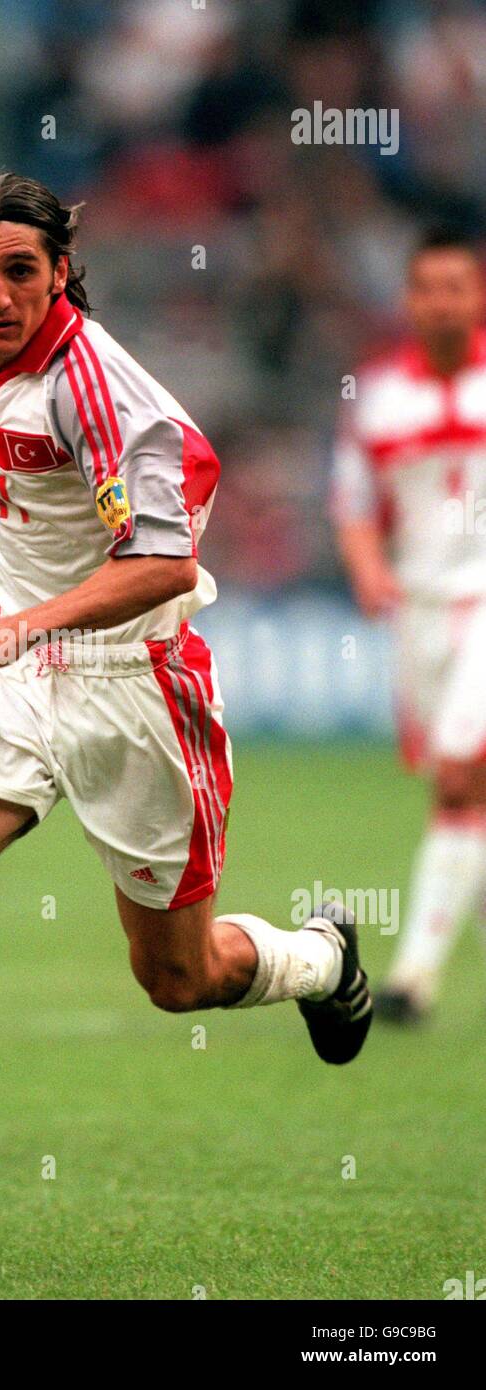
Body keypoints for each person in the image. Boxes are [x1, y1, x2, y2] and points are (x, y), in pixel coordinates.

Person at [0, 170, 372, 1261]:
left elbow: (164, 565)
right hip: (20, 666)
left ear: (62, 274)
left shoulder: (108, 400)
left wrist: (17, 631)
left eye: (20, 271)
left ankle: (320, 959)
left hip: (137, 685)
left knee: (178, 979)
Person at [334, 228, 486, 1025]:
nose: (442, 301)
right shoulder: (378, 393)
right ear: (409, 299)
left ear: (478, 295)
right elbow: (354, 503)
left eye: (456, 286)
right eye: (427, 287)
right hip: (419, 611)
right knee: (460, 789)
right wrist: (367, 569)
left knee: (461, 775)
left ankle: (410, 981)